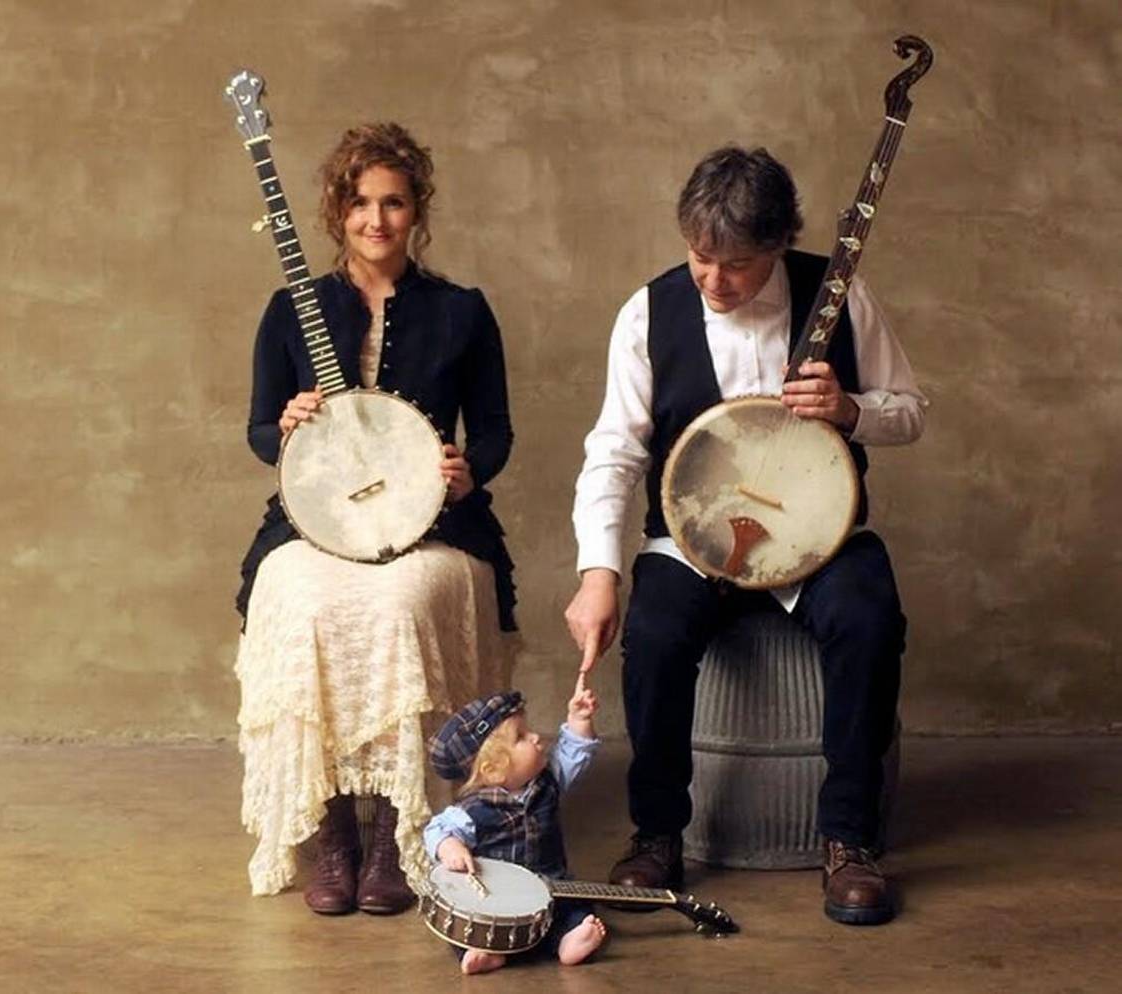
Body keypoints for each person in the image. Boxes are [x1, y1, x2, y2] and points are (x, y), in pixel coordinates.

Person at [564, 145, 927, 926]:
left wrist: (853, 410)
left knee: (869, 616)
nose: (713, 280)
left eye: (735, 264)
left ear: (778, 246)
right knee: (655, 634)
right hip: (693, 544)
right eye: (700, 257)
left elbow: (911, 411)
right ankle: (657, 833)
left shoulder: (839, 295)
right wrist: (600, 571)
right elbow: (613, 452)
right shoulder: (648, 312)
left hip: (819, 541)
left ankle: (849, 839)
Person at [235, 122, 516, 917]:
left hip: (434, 524)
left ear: (416, 210)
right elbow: (259, 434)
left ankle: (398, 831)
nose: (376, 220)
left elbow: (494, 433)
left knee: (398, 605)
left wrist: (467, 473)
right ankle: (335, 838)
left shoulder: (463, 312)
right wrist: (285, 423)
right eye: (360, 203)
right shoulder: (293, 309)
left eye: (393, 202)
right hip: (314, 524)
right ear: (336, 212)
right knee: (304, 603)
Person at [424, 685, 605, 974]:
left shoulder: (548, 782)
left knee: (573, 909)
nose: (535, 737)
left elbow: (573, 755)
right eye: (521, 737)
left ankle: (568, 939)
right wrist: (450, 846)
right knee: (471, 924)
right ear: (494, 769)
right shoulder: (474, 809)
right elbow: (438, 828)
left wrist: (579, 720)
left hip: (550, 887)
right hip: (498, 897)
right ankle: (483, 951)